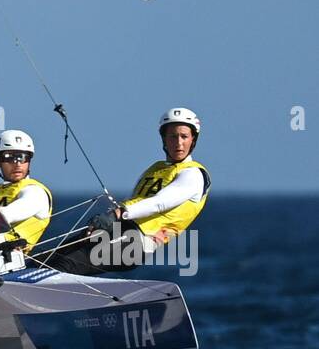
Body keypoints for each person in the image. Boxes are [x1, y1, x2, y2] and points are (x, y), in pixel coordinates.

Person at [47, 107, 210, 275]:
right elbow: (134, 199)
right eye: (173, 136)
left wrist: (116, 214)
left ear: (193, 140)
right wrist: (107, 221)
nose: (178, 142)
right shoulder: (155, 169)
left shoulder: (194, 174)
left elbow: (159, 203)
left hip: (137, 240)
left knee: (65, 265)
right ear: (164, 139)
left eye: (184, 136)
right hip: (118, 228)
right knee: (49, 258)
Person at [0, 129, 53, 251]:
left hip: (3, 259)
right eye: (9, 157)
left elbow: (3, 216)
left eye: (23, 157)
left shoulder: (35, 192)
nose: (17, 164)